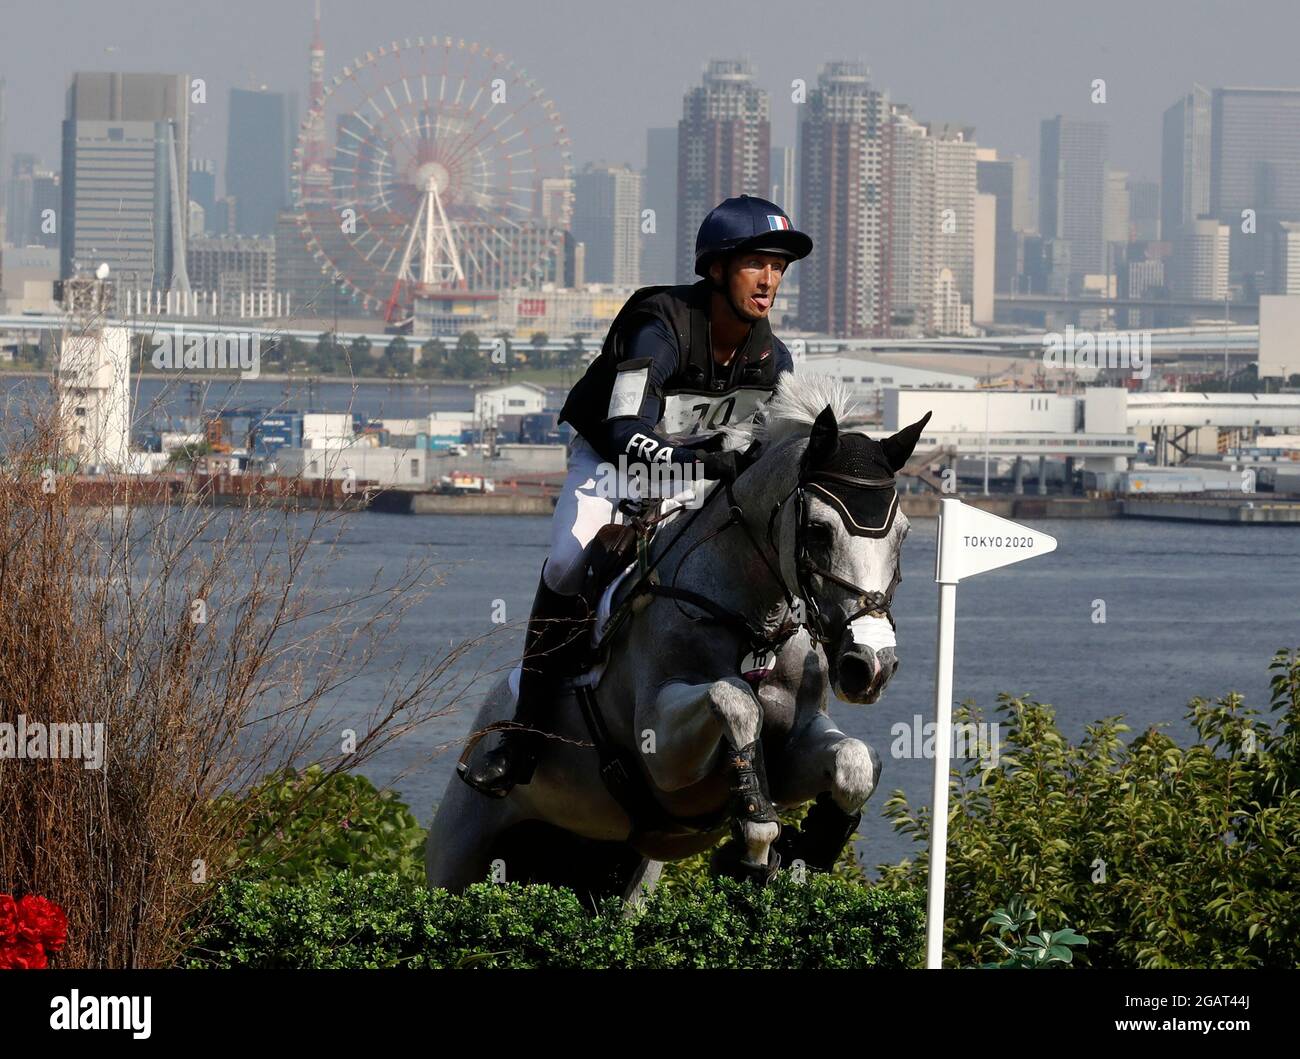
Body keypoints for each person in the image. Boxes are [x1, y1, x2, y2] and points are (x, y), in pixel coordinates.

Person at [459, 194, 813, 797]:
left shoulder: (772, 358)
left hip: (690, 476)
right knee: (570, 564)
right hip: (610, 464)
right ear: (719, 268)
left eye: (779, 267)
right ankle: (522, 737)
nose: (771, 279)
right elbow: (626, 431)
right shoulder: (659, 324)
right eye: (758, 263)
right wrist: (694, 463)